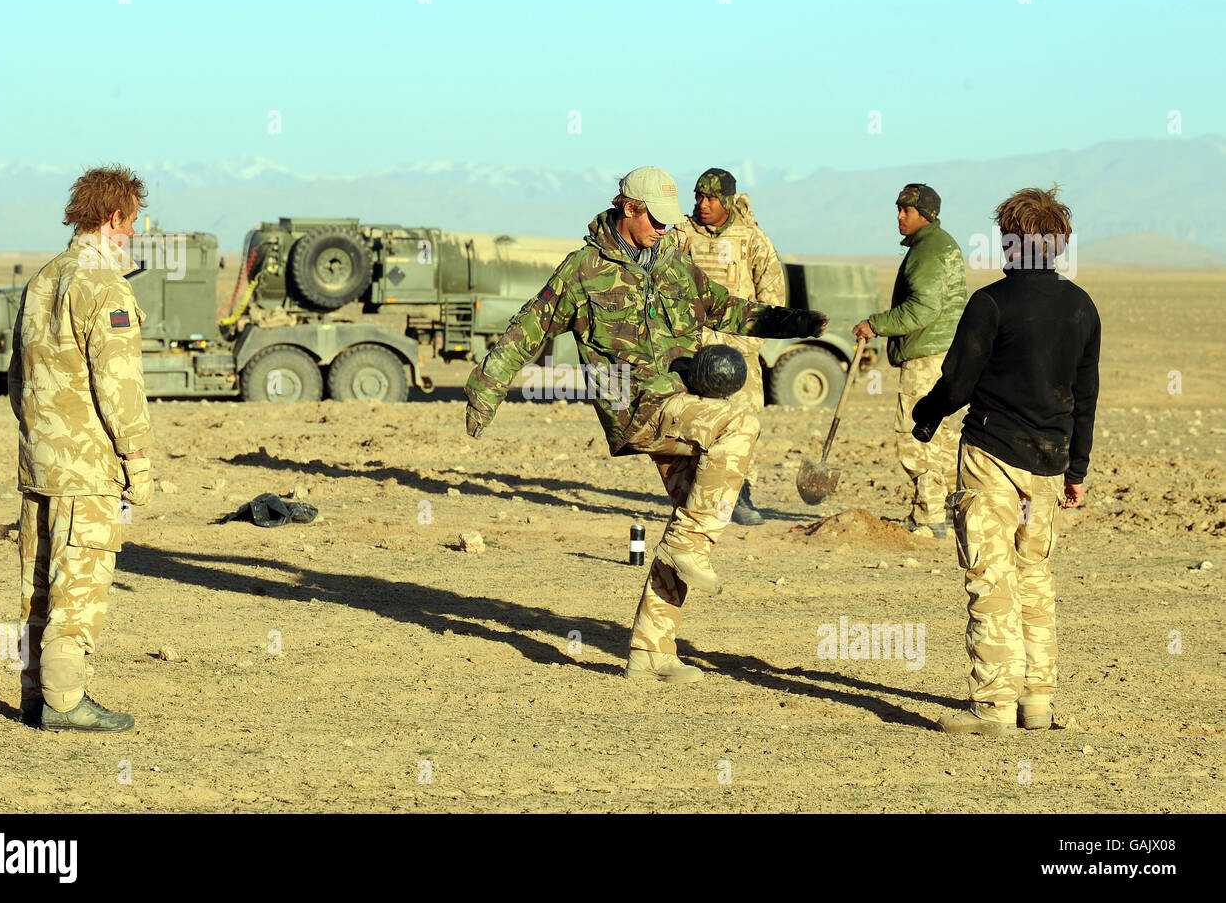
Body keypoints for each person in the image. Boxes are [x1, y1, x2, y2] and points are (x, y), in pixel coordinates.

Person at [464, 166, 826, 683]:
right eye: (654, 219)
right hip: (633, 405)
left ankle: (650, 650)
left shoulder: (674, 262)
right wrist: (484, 392)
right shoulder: (583, 270)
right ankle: (685, 549)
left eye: (668, 220)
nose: (663, 228)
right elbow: (527, 330)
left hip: (679, 403)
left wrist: (793, 322)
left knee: (692, 519)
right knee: (739, 424)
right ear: (627, 208)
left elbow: (725, 309)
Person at [911, 186, 1099, 736]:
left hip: (991, 458)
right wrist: (1077, 471)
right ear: (1059, 245)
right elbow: (1085, 396)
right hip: (1049, 465)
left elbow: (957, 382)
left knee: (990, 578)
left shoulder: (990, 303)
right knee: (1034, 578)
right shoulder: (1082, 307)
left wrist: (926, 414)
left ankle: (993, 706)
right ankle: (1037, 703)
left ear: (1011, 244)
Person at [8, 164, 154, 732]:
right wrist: (136, 456)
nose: (133, 234)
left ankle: (35, 697)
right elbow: (119, 386)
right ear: (113, 218)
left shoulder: (43, 279)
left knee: (38, 588)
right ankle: (65, 703)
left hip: (39, 466)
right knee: (79, 588)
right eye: (131, 223)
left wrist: (42, 437)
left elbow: (17, 380)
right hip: (87, 471)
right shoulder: (104, 285)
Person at [671, 168, 786, 525]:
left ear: (726, 201)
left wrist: (742, 344)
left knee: (744, 425)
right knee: (690, 426)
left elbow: (772, 302)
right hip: (692, 354)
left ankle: (740, 495)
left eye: (710, 198)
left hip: (739, 357)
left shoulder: (752, 239)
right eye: (698, 197)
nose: (702, 205)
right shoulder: (681, 236)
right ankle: (694, 496)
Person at [852, 184, 966, 536]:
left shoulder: (928, 250)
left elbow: (923, 308)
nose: (900, 216)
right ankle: (953, 509)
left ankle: (929, 515)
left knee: (915, 432)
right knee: (939, 434)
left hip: (925, 356)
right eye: (898, 209)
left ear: (926, 215)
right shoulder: (938, 245)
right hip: (944, 354)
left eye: (907, 210)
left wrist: (876, 324)